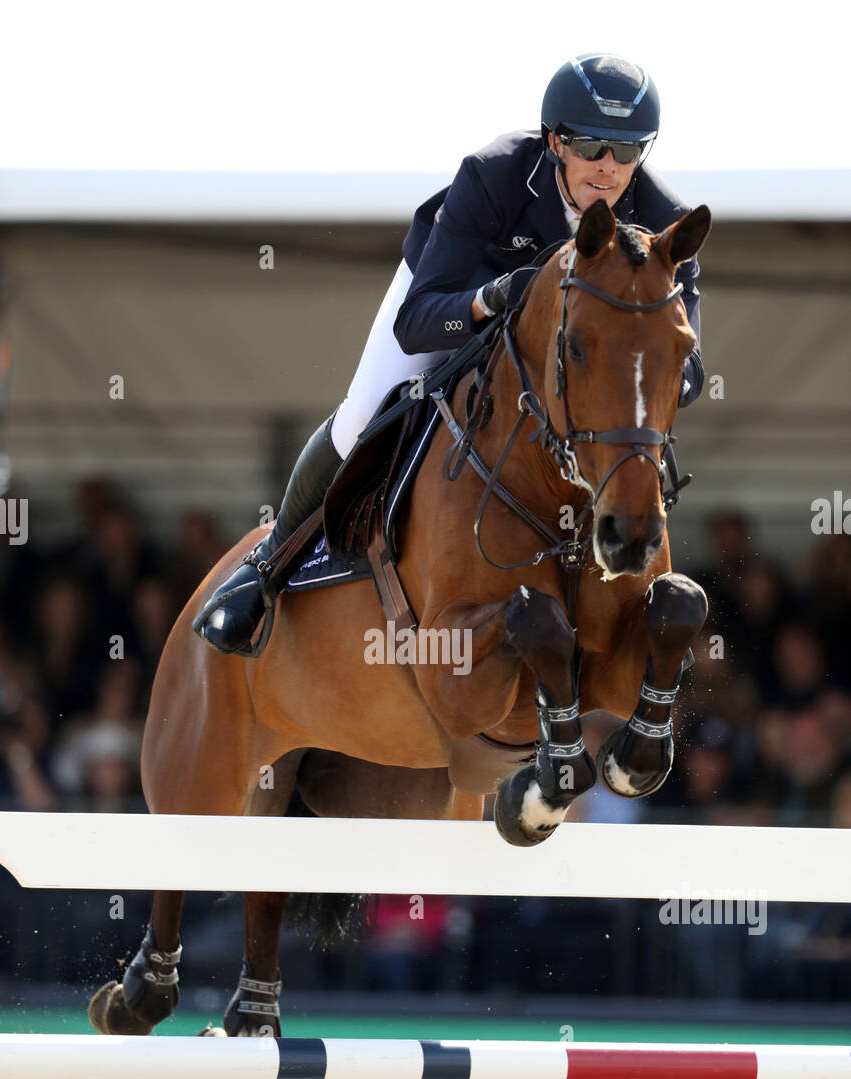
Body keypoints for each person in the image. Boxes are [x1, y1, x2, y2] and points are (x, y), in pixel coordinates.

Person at [194, 52, 705, 656]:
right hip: (459, 292)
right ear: (554, 141)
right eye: (592, 146)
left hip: (566, 355)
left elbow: (690, 371)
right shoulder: (494, 175)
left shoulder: (665, 223)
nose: (609, 167)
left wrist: (631, 377)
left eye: (628, 151)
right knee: (363, 415)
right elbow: (417, 322)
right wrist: (492, 299)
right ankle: (266, 566)